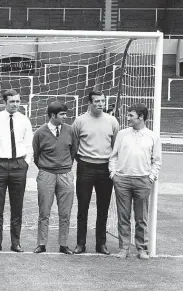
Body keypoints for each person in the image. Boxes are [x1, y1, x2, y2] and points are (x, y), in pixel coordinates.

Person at [109, 103, 162, 260]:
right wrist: (114, 174)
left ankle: (141, 249)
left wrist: (151, 177)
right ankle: (124, 248)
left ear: (141, 117)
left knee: (141, 218)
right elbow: (114, 156)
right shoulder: (122, 134)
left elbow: (157, 160)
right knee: (123, 216)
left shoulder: (153, 136)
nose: (128, 118)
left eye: (131, 115)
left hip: (143, 181)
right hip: (122, 180)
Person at [0, 89, 33, 253]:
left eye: (18, 101)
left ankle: (15, 242)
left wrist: (26, 162)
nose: (15, 104)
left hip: (19, 165)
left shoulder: (24, 120)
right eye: (12, 101)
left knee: (17, 206)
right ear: (5, 102)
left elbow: (28, 144)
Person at [72, 90, 120, 255]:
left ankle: (101, 244)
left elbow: (115, 146)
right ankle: (80, 244)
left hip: (105, 169)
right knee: (83, 208)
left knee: (103, 208)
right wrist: (83, 161)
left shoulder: (112, 121)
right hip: (85, 167)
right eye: (97, 101)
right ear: (89, 103)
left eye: (102, 101)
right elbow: (74, 145)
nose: (100, 104)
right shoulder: (80, 121)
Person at [32, 101, 77, 255]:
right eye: (62, 114)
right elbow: (36, 155)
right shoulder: (40, 132)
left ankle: (64, 244)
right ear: (53, 115)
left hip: (65, 174)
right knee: (44, 211)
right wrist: (47, 168)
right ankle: (41, 244)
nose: (65, 117)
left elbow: (73, 151)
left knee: (65, 212)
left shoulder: (70, 130)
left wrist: (64, 167)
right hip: (46, 174)